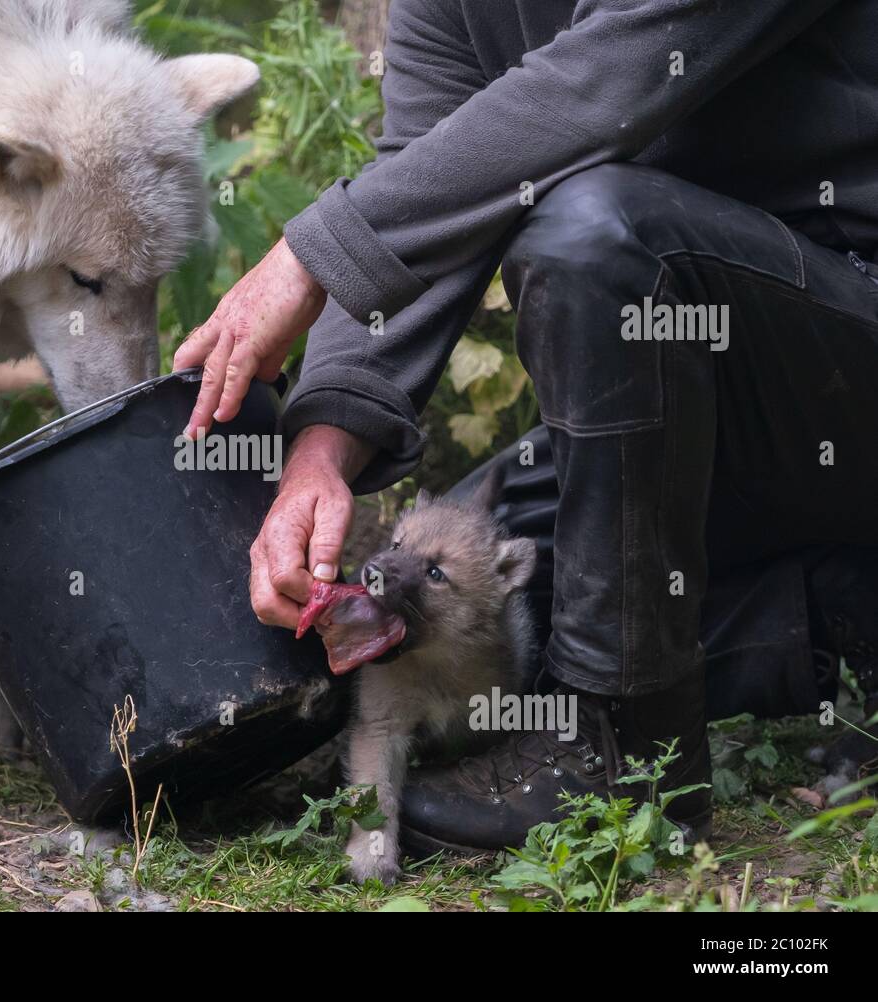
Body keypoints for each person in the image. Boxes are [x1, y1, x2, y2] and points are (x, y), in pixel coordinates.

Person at [174, 0, 878, 853]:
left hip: (845, 354)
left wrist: (309, 253)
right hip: (698, 400)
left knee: (593, 231)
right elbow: (422, 190)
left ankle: (622, 749)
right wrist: (318, 450)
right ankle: (839, 621)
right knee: (458, 586)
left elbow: (606, 80)